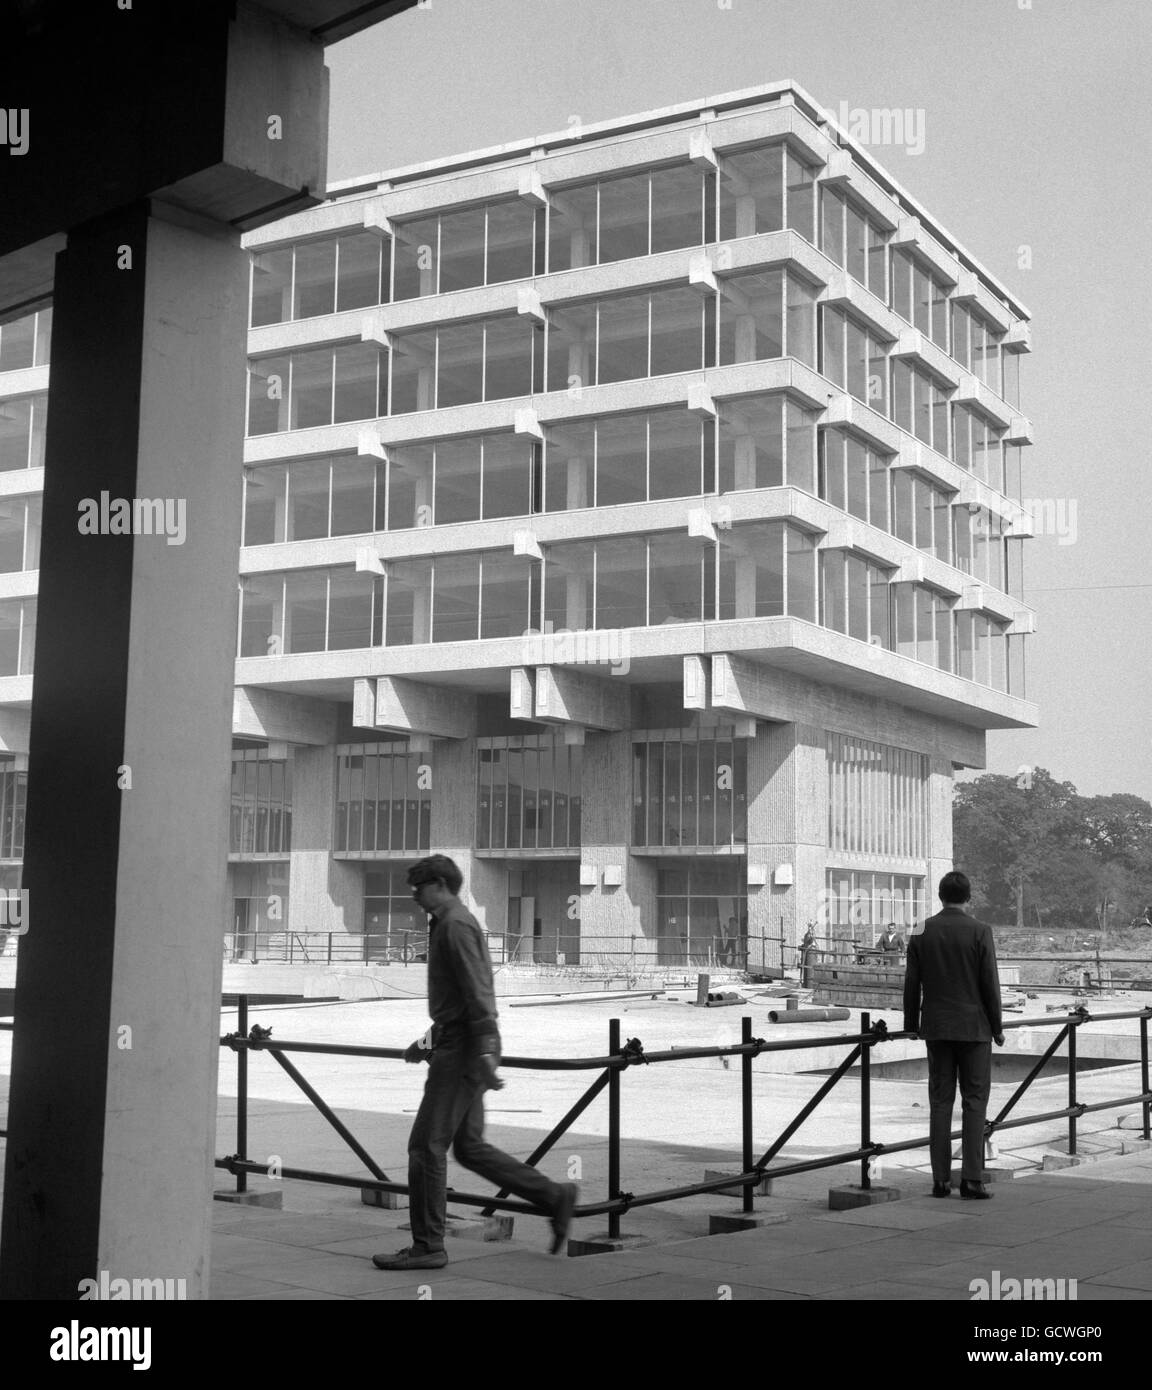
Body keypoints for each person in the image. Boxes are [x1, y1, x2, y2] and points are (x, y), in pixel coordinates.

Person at [373, 855, 578, 1270]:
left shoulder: (454, 924)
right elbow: (457, 998)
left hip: (465, 1050)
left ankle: (428, 1247)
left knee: (425, 1147)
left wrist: (483, 1050)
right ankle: (555, 1197)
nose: (413, 896)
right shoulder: (447, 922)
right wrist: (428, 1039)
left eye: (418, 887)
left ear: (439, 885)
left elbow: (478, 990)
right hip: (461, 1043)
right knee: (468, 1148)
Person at [903, 871, 1005, 1200]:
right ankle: (972, 1180)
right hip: (975, 1029)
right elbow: (990, 983)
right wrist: (997, 1026)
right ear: (968, 897)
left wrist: (911, 1023)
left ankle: (941, 1180)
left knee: (940, 1102)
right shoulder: (980, 931)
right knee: (974, 1102)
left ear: (939, 894)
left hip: (936, 1027)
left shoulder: (921, 930)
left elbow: (911, 982)